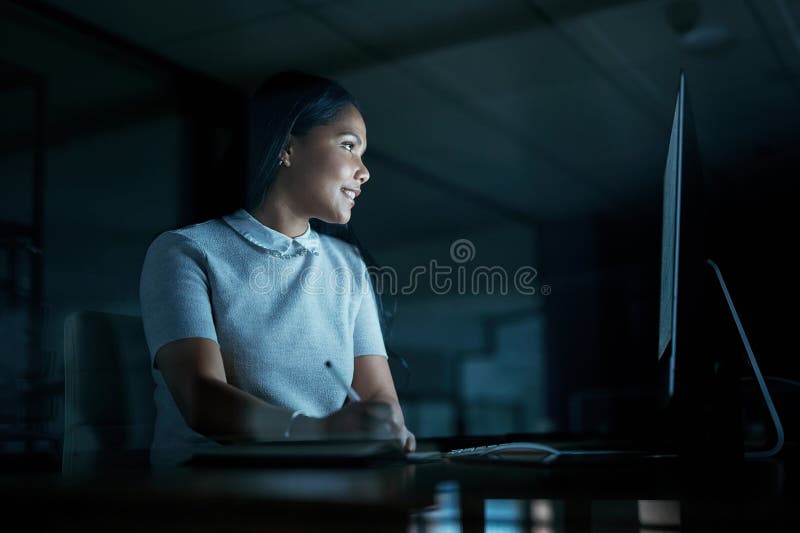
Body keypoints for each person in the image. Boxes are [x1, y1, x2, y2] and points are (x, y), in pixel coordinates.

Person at [139, 71, 415, 467]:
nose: (364, 171)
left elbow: (377, 395)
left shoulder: (348, 266)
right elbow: (201, 398)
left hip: (325, 481)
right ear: (288, 148)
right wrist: (319, 433)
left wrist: (385, 425)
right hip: (213, 490)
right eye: (349, 146)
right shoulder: (185, 251)